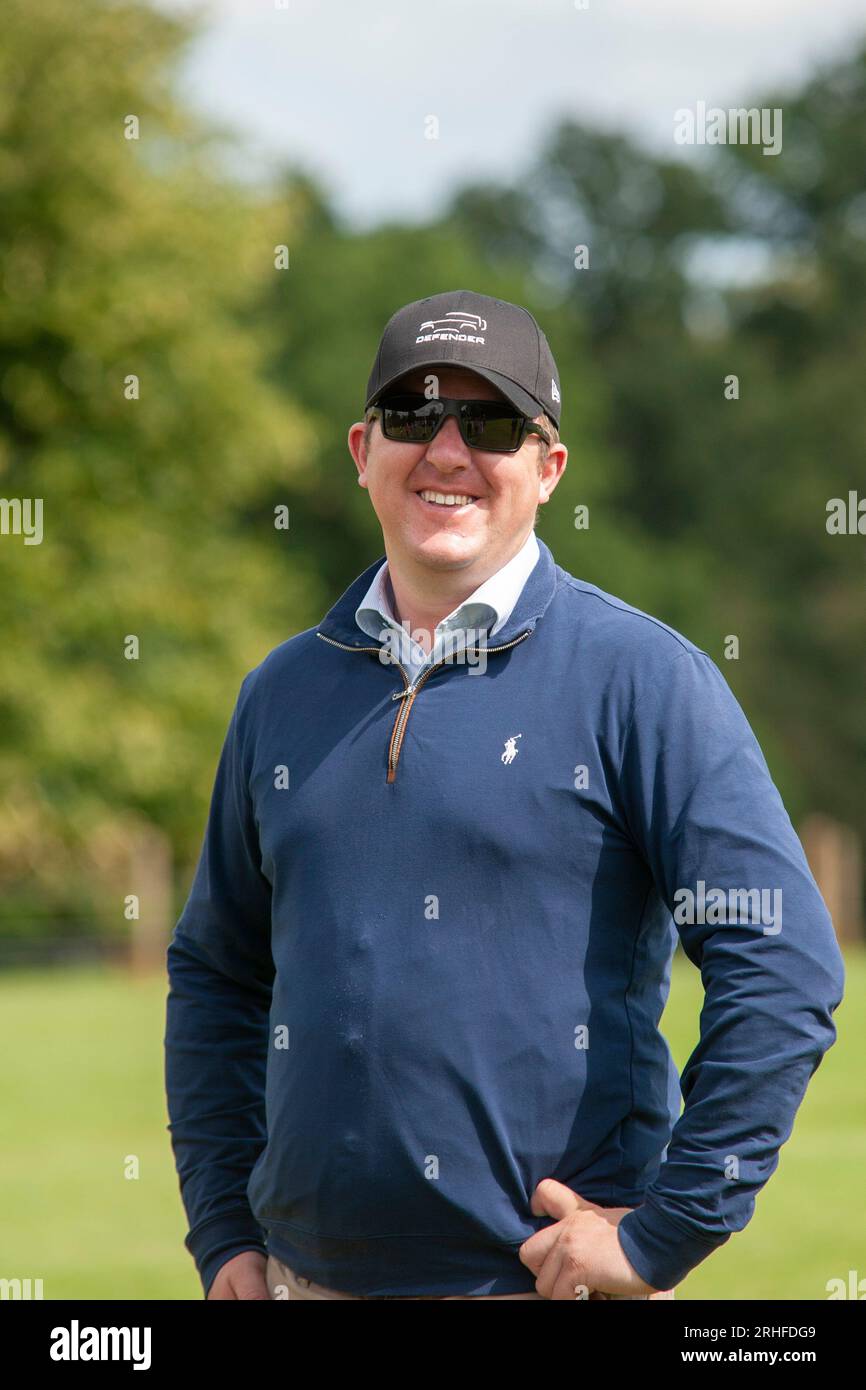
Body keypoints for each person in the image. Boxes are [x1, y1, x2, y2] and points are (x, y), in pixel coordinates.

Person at [164, 289, 845, 1302]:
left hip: (540, 1287)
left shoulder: (642, 679)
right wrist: (224, 1233)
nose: (444, 450)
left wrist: (664, 1232)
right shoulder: (281, 691)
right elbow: (217, 975)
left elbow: (780, 967)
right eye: (411, 416)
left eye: (486, 422)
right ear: (362, 450)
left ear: (546, 466)